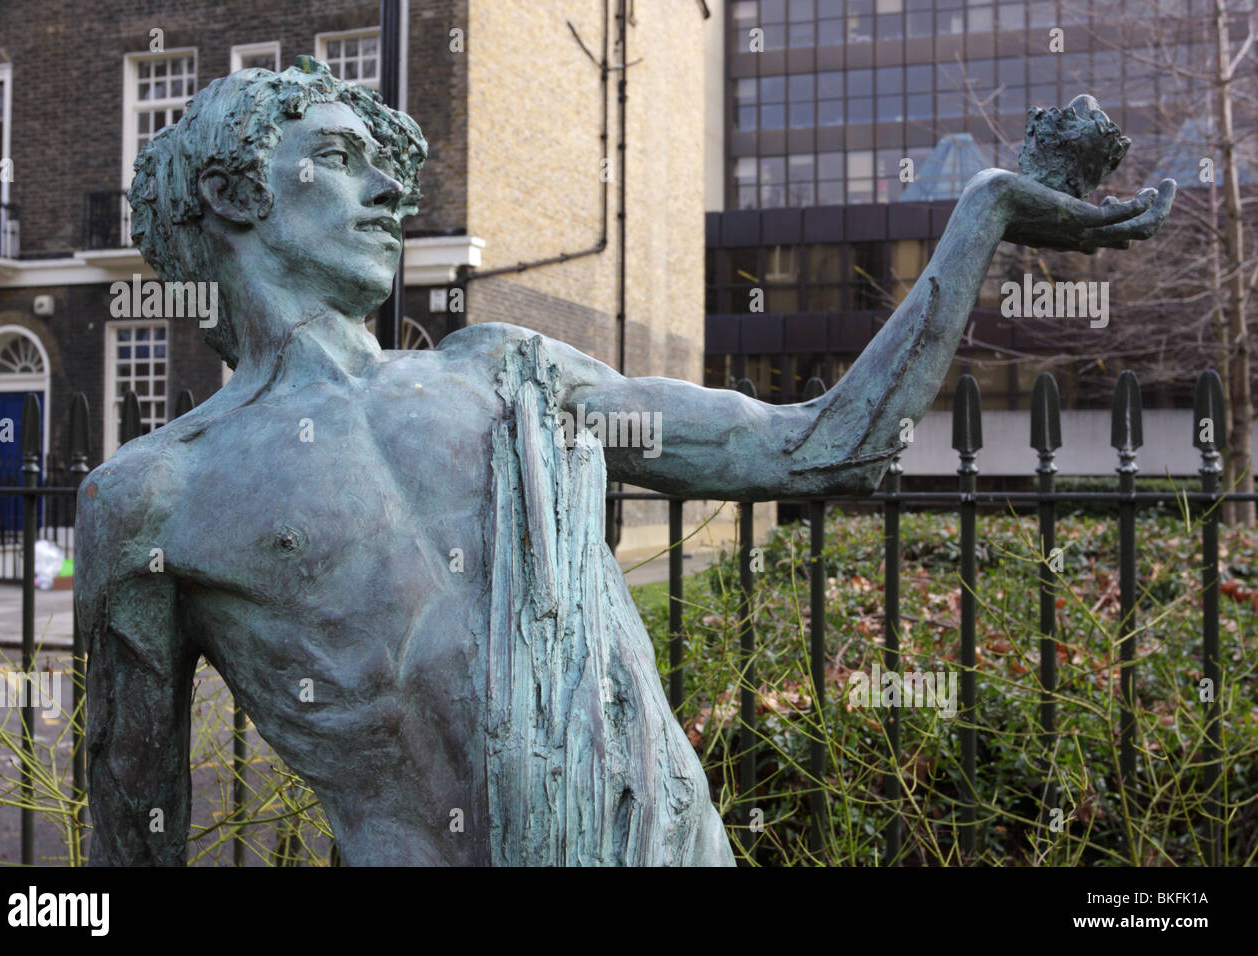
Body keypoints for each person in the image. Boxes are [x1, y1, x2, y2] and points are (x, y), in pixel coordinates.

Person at [77, 57, 1173, 866]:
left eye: (388, 171)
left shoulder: (515, 377)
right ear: (232, 194)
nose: (390, 195)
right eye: (338, 159)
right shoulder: (151, 500)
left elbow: (827, 446)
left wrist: (981, 215)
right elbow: (134, 829)